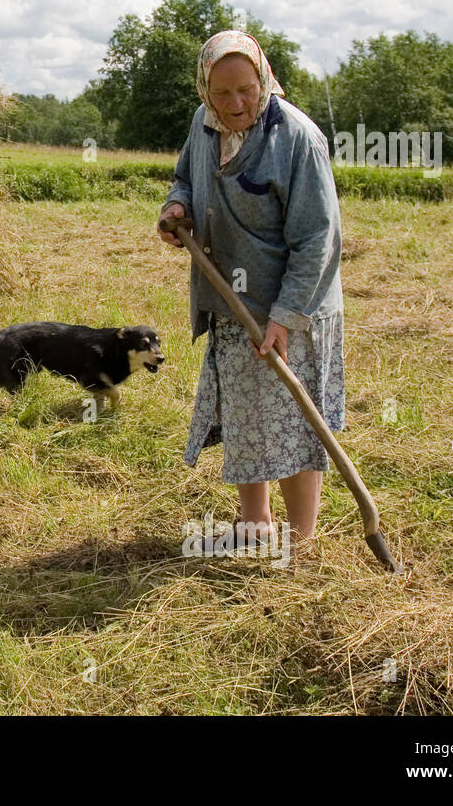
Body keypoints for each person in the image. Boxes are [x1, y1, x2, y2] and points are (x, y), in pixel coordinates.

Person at [159, 30, 344, 549]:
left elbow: (318, 240)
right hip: (230, 298)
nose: (236, 104)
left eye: (246, 89)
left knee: (292, 419)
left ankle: (302, 541)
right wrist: (178, 208)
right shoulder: (202, 124)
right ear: (204, 90)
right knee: (245, 412)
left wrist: (284, 317)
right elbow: (185, 179)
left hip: (293, 304)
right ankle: (255, 523)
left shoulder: (297, 139)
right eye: (222, 93)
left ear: (263, 78)